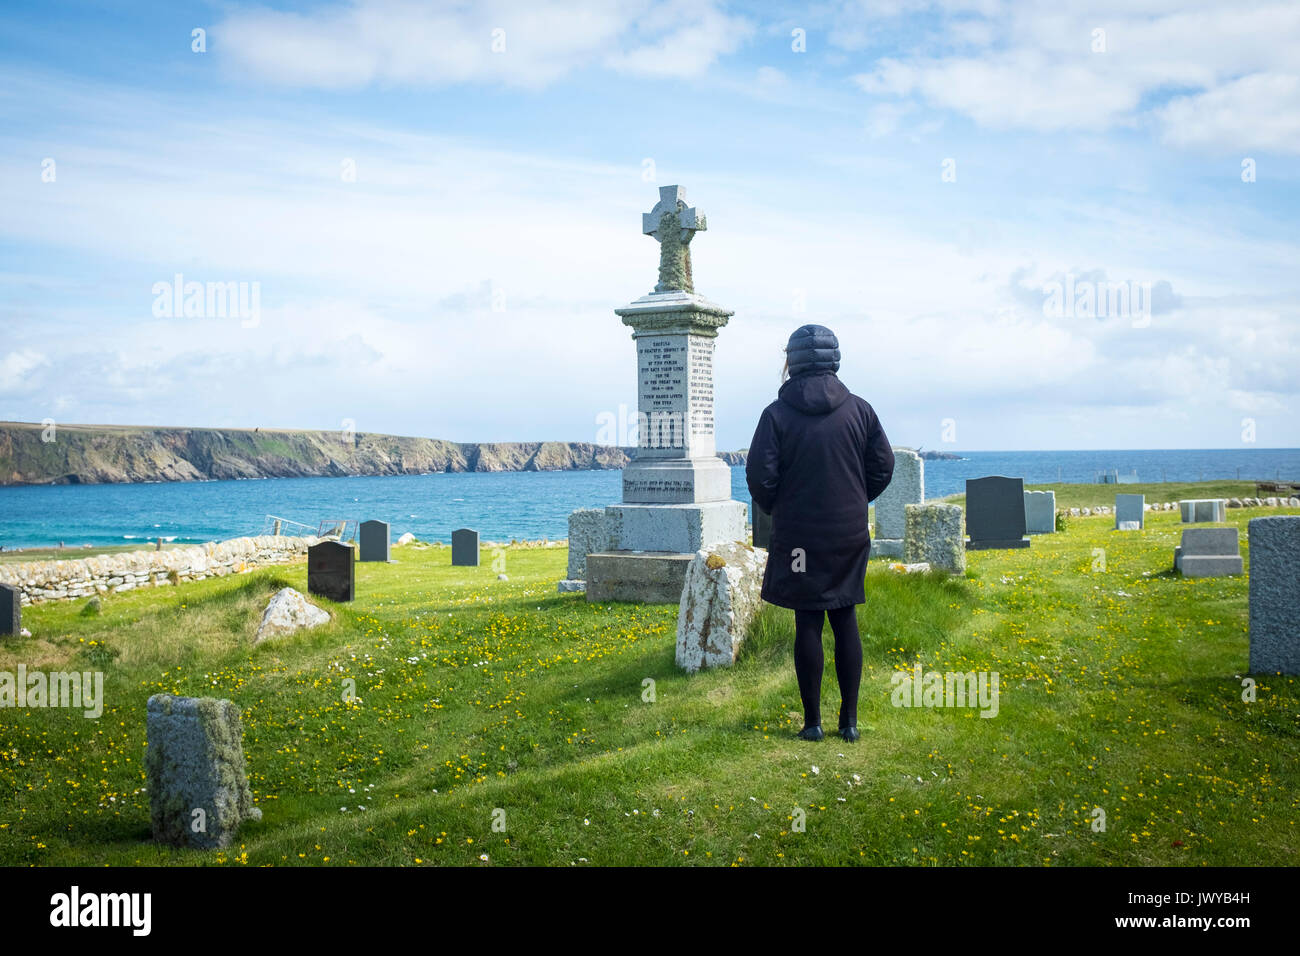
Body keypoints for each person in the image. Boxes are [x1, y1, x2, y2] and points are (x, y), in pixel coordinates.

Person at [745, 325, 895, 742]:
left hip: (798, 537)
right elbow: (883, 466)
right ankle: (849, 723)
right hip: (847, 532)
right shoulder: (860, 410)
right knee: (845, 617)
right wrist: (855, 499)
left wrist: (780, 508)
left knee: (807, 620)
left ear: (791, 360)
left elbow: (759, 476)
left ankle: (812, 723)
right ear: (835, 359)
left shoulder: (776, 415)